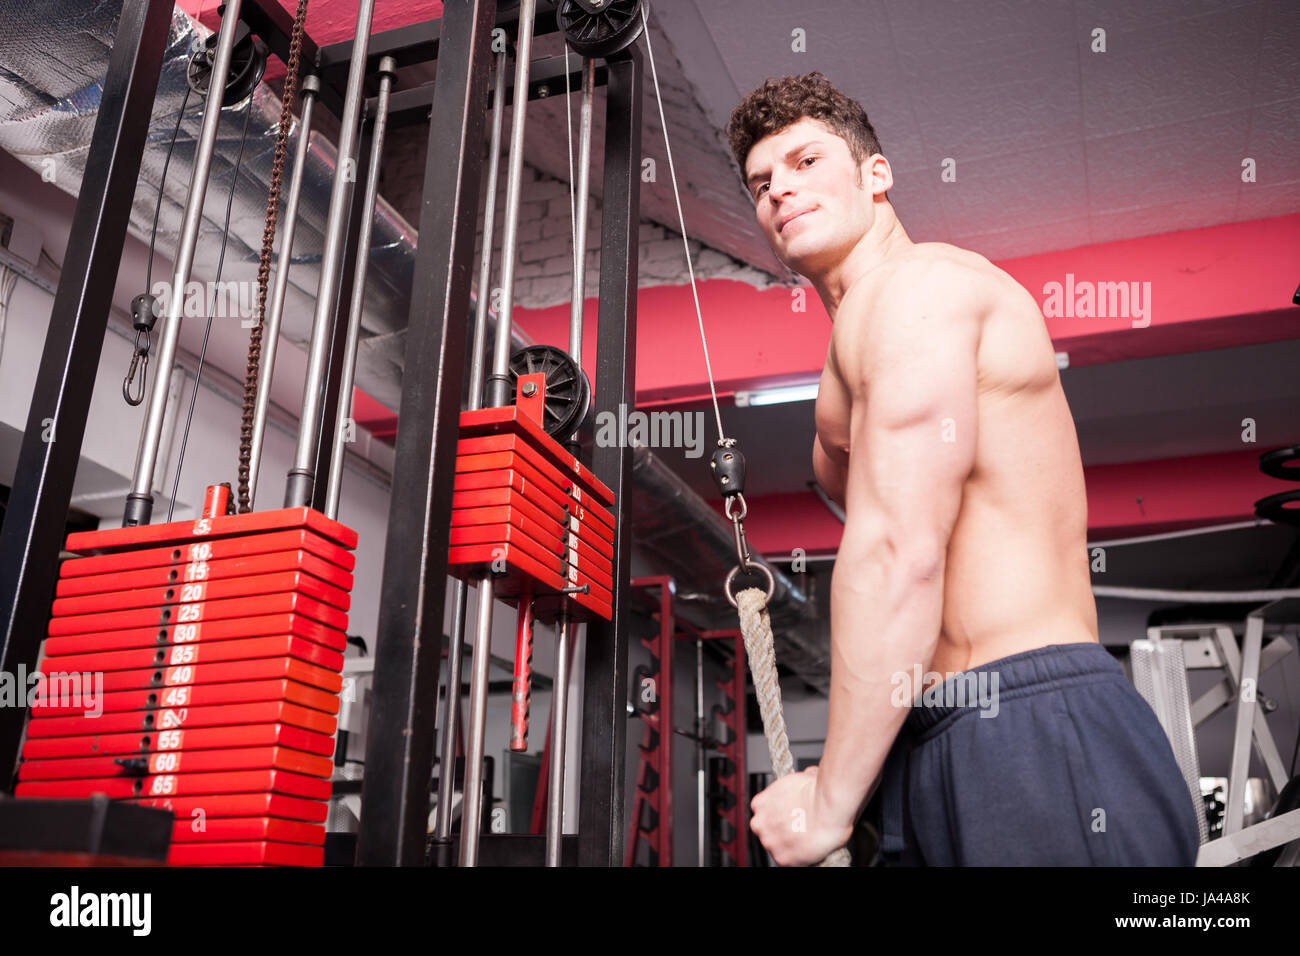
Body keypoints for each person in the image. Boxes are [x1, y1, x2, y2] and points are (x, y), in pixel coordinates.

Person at [728, 72, 1200, 866]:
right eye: (762, 182)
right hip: (935, 733)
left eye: (807, 162)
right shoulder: (859, 347)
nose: (781, 189)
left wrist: (830, 801)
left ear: (876, 174)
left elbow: (900, 553)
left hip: (1031, 723)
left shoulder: (919, 290)